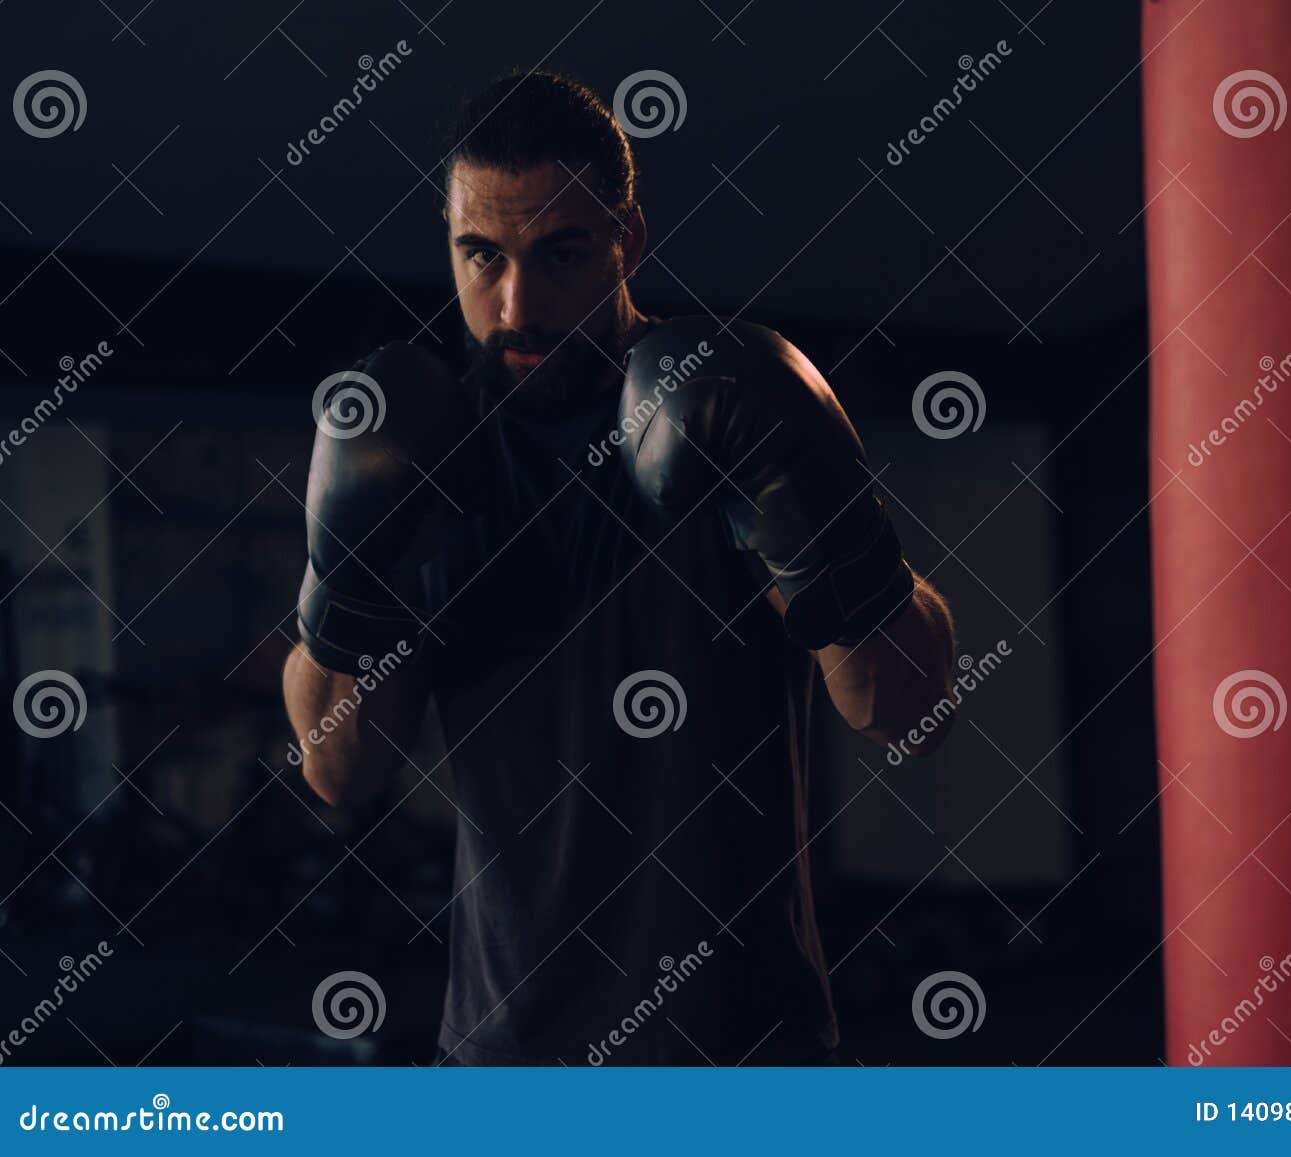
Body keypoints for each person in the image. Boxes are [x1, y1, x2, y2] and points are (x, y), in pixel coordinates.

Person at [281, 69, 958, 1065]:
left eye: (558, 255)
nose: (516, 304)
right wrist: (345, 578)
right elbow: (340, 770)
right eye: (482, 257)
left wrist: (836, 536)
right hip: (502, 1062)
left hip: (741, 1057)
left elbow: (907, 709)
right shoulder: (427, 449)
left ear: (624, 241)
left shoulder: (720, 410)